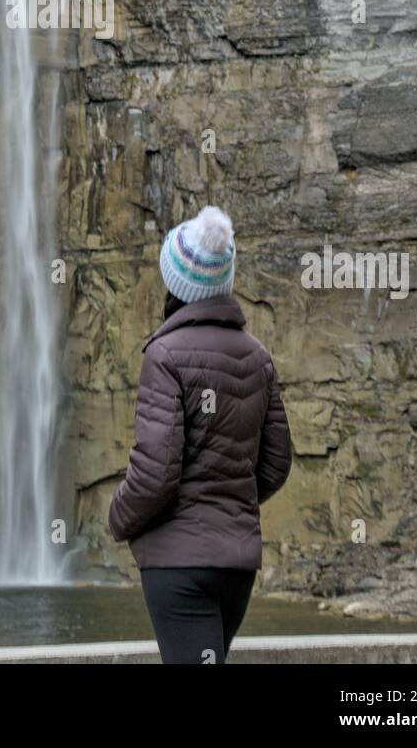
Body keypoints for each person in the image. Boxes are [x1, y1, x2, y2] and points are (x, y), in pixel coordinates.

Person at [109, 205, 293, 665]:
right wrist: (229, 501)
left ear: (174, 283)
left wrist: (118, 518)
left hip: (178, 564)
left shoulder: (164, 355)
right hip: (235, 565)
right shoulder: (258, 357)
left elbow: (156, 472)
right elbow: (275, 463)